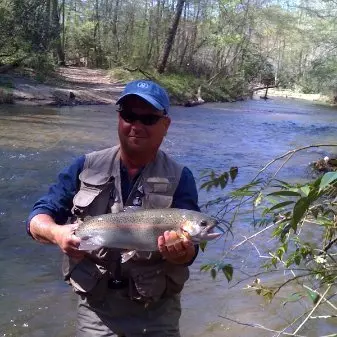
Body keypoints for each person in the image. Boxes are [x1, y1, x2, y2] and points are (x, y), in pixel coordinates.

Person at [27, 80, 200, 337]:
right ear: (119, 119)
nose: (136, 126)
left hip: (156, 313)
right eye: (129, 116)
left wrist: (181, 254)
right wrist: (57, 234)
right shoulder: (85, 166)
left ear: (166, 125)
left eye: (149, 119)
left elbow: (192, 251)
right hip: (96, 311)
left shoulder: (181, 177)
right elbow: (39, 217)